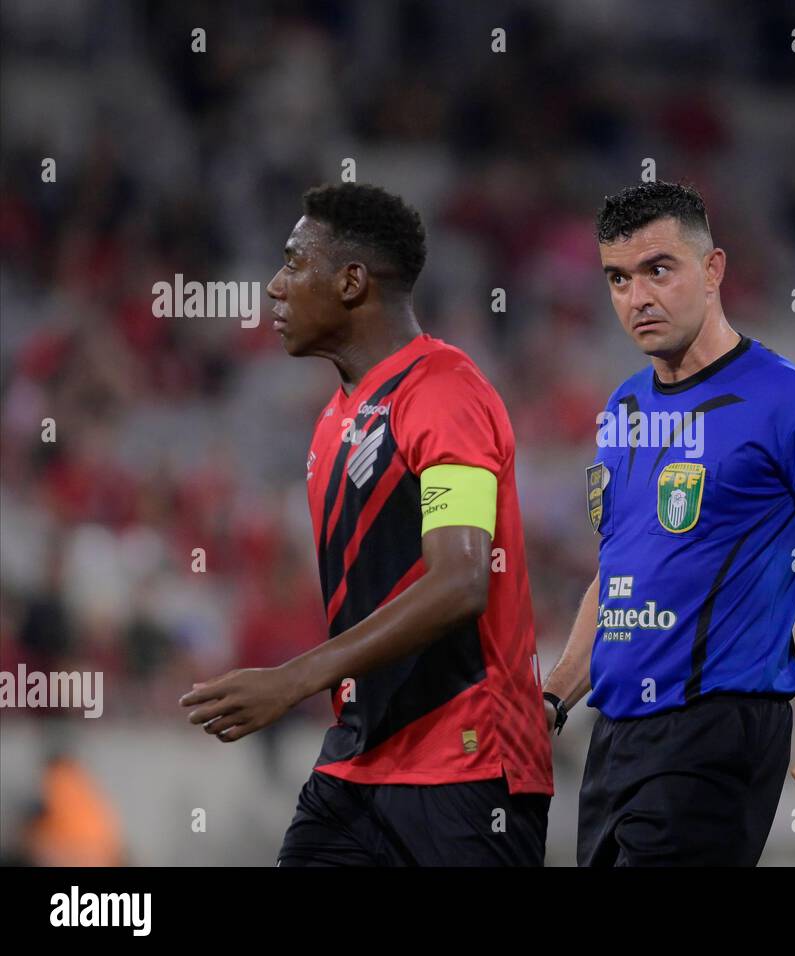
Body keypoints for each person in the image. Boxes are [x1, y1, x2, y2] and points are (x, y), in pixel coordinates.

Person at [179, 183, 552, 865]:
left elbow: (462, 581)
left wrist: (295, 678)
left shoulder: (445, 392)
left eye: (294, 264)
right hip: (357, 766)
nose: (274, 286)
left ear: (351, 282)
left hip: (466, 768)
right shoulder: (333, 420)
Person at [543, 181, 795, 866]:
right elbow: (620, 572)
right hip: (614, 736)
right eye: (617, 279)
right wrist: (554, 696)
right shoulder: (623, 407)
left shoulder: (792, 404)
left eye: (659, 270)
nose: (637, 298)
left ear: (712, 271)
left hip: (716, 730)